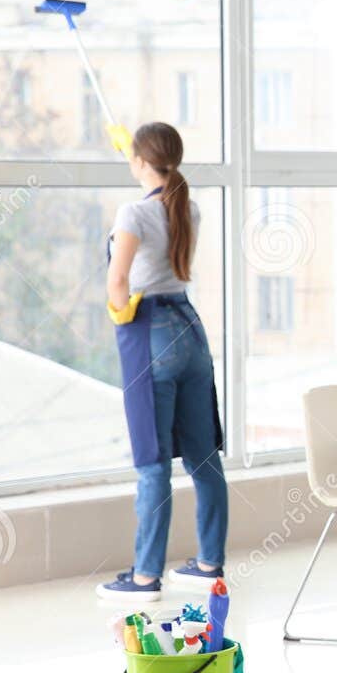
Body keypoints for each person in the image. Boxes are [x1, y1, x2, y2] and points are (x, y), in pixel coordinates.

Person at [97, 122, 228, 602]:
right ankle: (209, 564)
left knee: (152, 463)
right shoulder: (186, 205)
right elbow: (161, 201)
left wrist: (119, 314)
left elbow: (118, 282)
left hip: (151, 332)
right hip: (191, 333)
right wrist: (133, 154)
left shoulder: (133, 212)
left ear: (138, 160)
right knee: (203, 458)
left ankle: (146, 577)